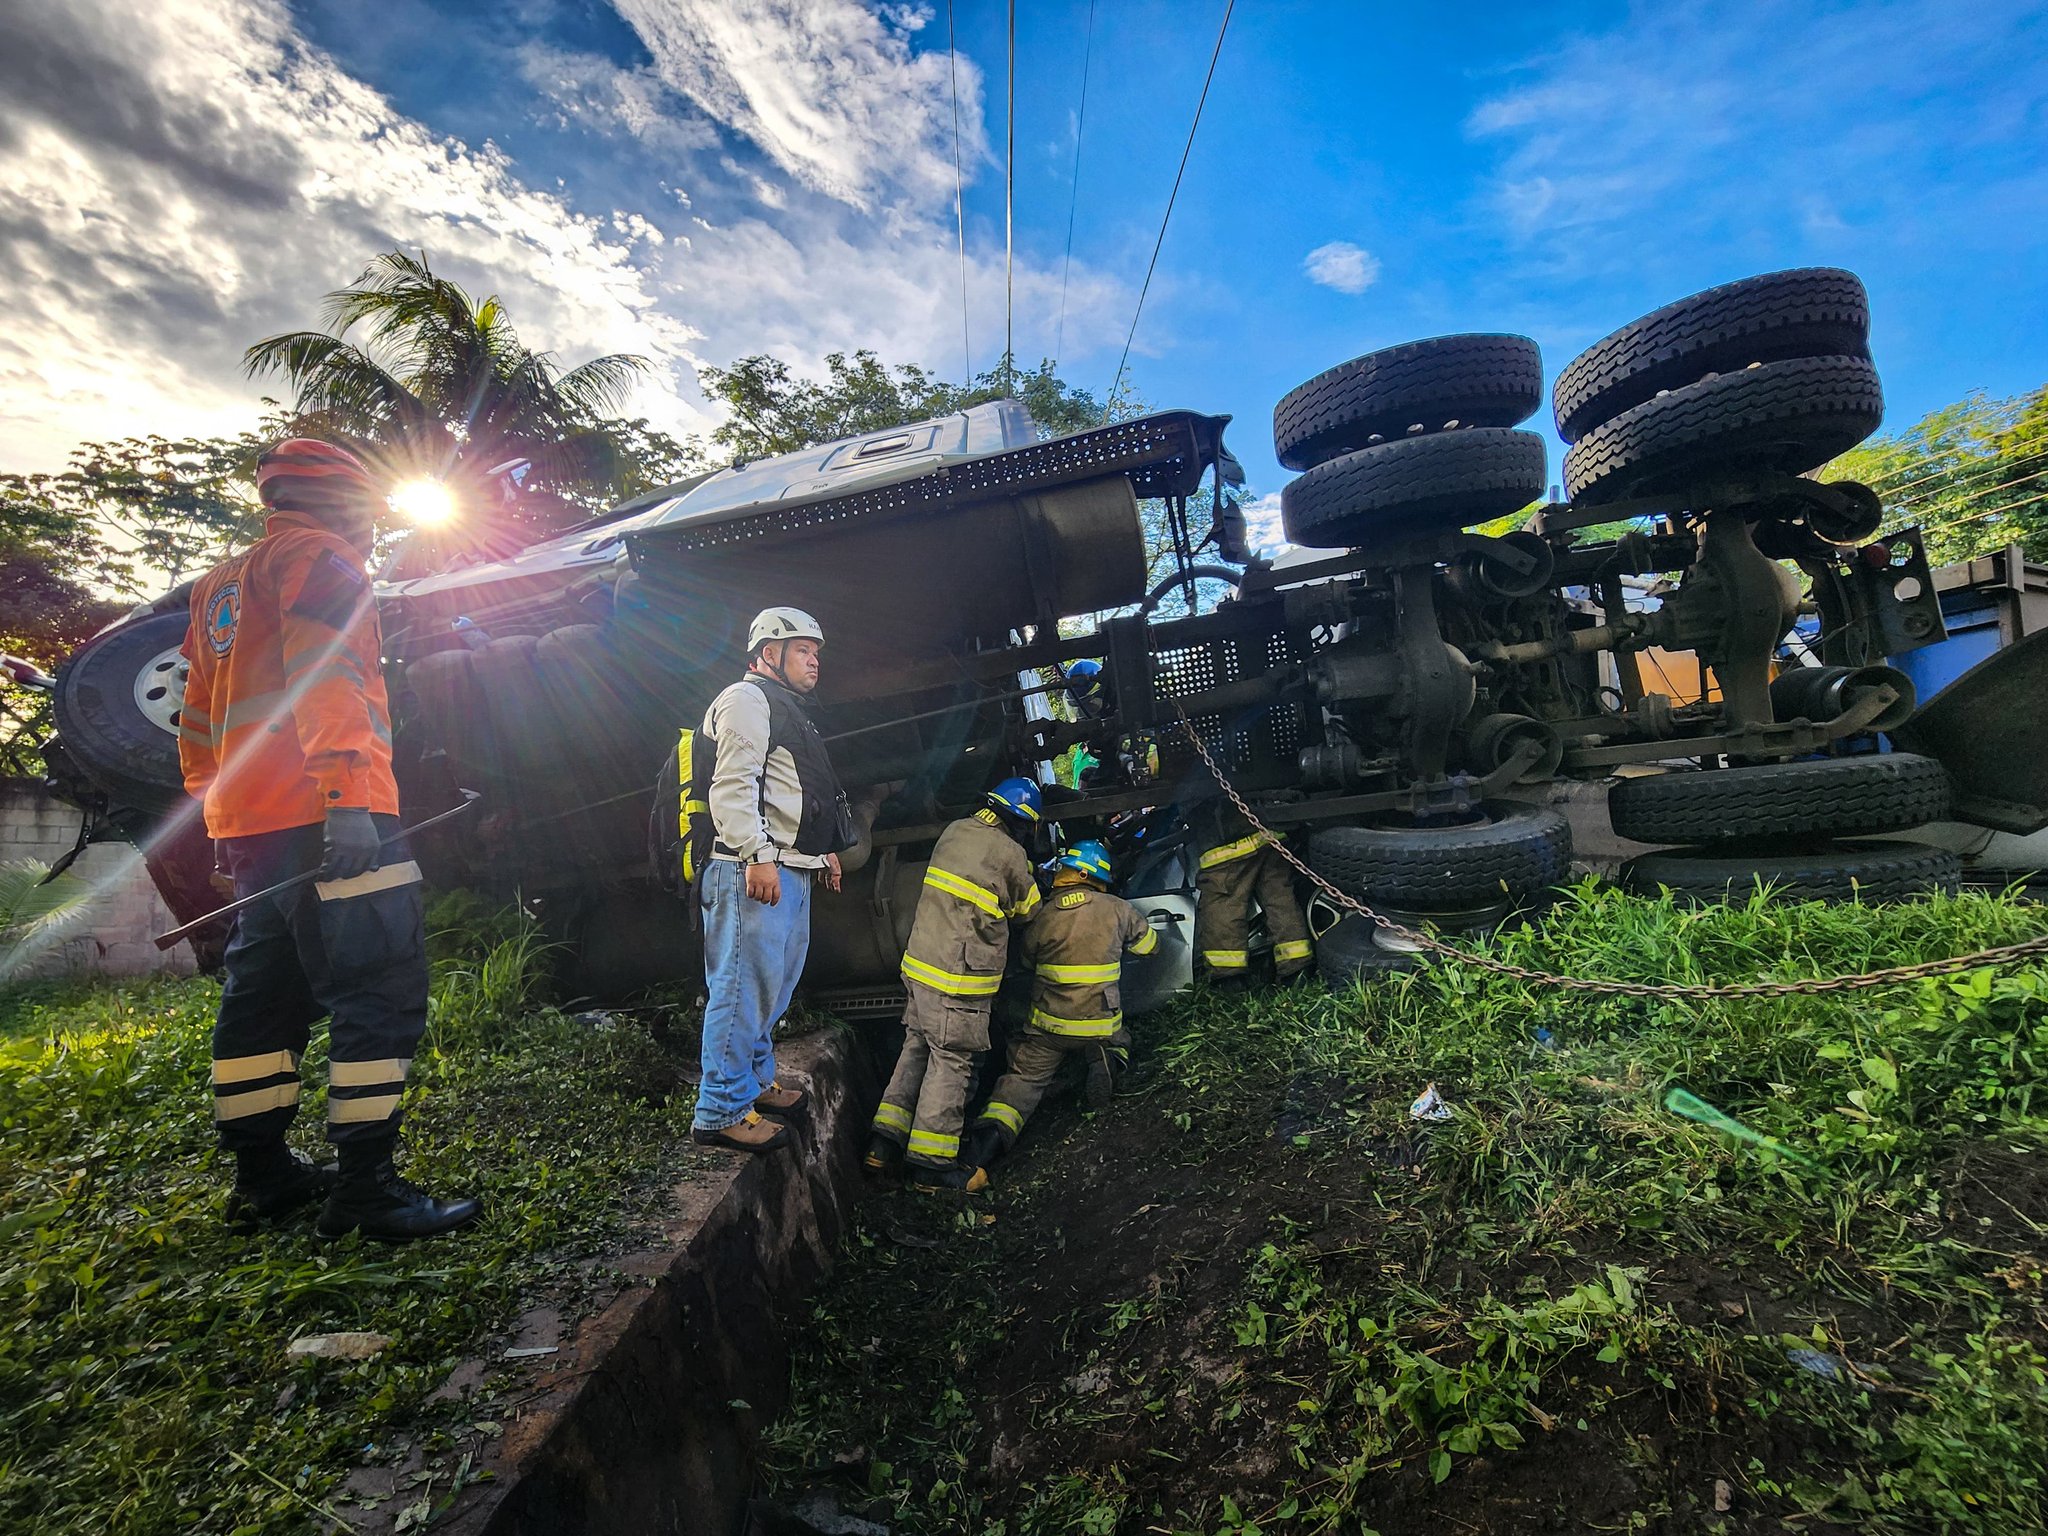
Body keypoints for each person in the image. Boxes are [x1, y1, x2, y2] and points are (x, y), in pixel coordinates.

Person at [178, 437, 480, 1242]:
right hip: (331, 814)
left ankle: (263, 1179)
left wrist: (221, 822)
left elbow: (199, 720)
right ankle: (367, 1192)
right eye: (369, 514)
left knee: (264, 997)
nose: (374, 532)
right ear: (340, 503)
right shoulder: (325, 560)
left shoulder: (220, 588)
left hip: (255, 828)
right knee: (378, 986)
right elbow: (331, 674)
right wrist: (347, 796)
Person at [691, 607, 849, 1153]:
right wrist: (755, 853)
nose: (813, 662)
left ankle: (754, 1083)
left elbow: (790, 791)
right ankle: (720, 1107)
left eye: (815, 653)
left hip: (788, 864)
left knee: (772, 987)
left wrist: (822, 849)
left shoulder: (786, 708)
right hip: (749, 868)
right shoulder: (746, 699)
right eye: (803, 650)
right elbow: (733, 785)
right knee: (741, 989)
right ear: (768, 653)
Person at [866, 777, 1043, 1192]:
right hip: (957, 979)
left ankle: (883, 1144)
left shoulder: (955, 830)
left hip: (920, 968)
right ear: (1022, 823)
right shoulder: (1010, 853)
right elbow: (1028, 910)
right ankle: (932, 1164)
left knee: (917, 1047)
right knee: (953, 1061)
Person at [963, 839, 1158, 1177]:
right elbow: (1150, 948)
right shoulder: (1117, 908)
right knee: (1119, 1038)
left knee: (1020, 1084)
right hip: (1099, 1023)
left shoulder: (1042, 917)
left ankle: (980, 1153)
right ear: (1096, 875)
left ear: (1072, 873)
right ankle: (1107, 1058)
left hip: (1048, 1030)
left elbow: (1025, 961)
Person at [1191, 798, 1314, 985]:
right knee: (1279, 899)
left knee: (1223, 904)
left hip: (1227, 839)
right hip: (1269, 834)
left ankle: (1229, 980)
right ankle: (1297, 970)